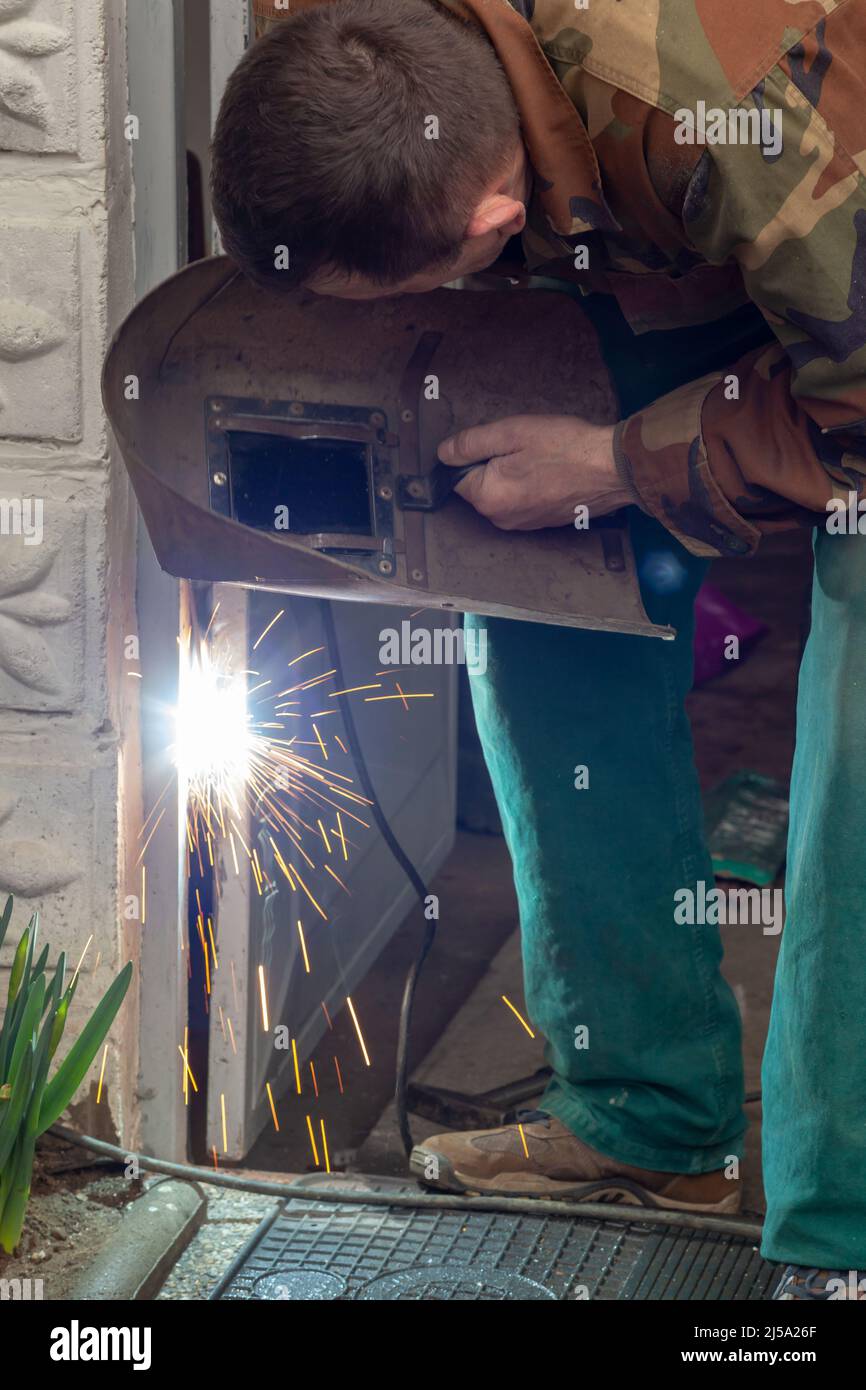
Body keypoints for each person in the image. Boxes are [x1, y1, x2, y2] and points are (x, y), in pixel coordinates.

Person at [211, 0, 866, 1300]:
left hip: (844, 282)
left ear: (488, 224)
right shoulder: (332, 44)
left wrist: (618, 463)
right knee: (524, 548)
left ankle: (838, 1229)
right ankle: (648, 1114)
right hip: (663, 243)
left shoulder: (728, 120)